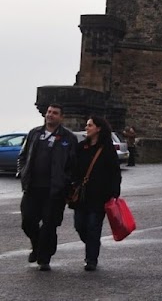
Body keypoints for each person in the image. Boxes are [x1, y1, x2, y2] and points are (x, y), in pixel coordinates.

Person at [17, 103, 77, 271]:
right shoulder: (34, 133)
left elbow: (73, 165)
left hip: (55, 190)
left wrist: (66, 181)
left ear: (61, 117)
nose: (50, 115)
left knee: (49, 225)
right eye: (49, 112)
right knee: (27, 222)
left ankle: (44, 258)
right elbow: (22, 156)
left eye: (55, 113)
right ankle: (37, 247)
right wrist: (22, 173)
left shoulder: (68, 138)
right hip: (32, 188)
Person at [71, 116, 122, 272]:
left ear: (98, 128)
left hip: (100, 196)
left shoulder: (107, 149)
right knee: (80, 225)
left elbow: (115, 172)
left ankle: (91, 259)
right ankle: (93, 244)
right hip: (82, 195)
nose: (86, 128)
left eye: (90, 125)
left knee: (93, 227)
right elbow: (73, 168)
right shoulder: (81, 147)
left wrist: (114, 193)